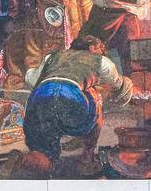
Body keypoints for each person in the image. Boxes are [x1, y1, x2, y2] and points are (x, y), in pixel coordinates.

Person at [21, 33, 135, 175]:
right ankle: (86, 159)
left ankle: (39, 160)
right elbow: (117, 84)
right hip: (69, 98)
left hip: (39, 99)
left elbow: (31, 80)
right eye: (101, 48)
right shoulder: (101, 61)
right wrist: (126, 84)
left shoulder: (53, 57)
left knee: (41, 138)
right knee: (95, 97)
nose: (103, 52)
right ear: (92, 47)